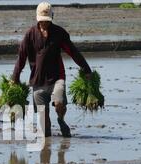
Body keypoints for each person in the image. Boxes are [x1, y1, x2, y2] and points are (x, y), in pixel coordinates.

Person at [12, 2, 92, 137]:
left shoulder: (59, 33)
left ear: (52, 17)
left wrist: (86, 69)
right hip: (38, 81)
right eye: (42, 21)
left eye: (47, 20)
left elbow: (73, 52)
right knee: (45, 127)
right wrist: (15, 78)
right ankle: (46, 151)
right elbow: (21, 57)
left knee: (59, 103)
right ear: (37, 18)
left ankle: (61, 120)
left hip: (57, 78)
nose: (44, 23)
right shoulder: (30, 35)